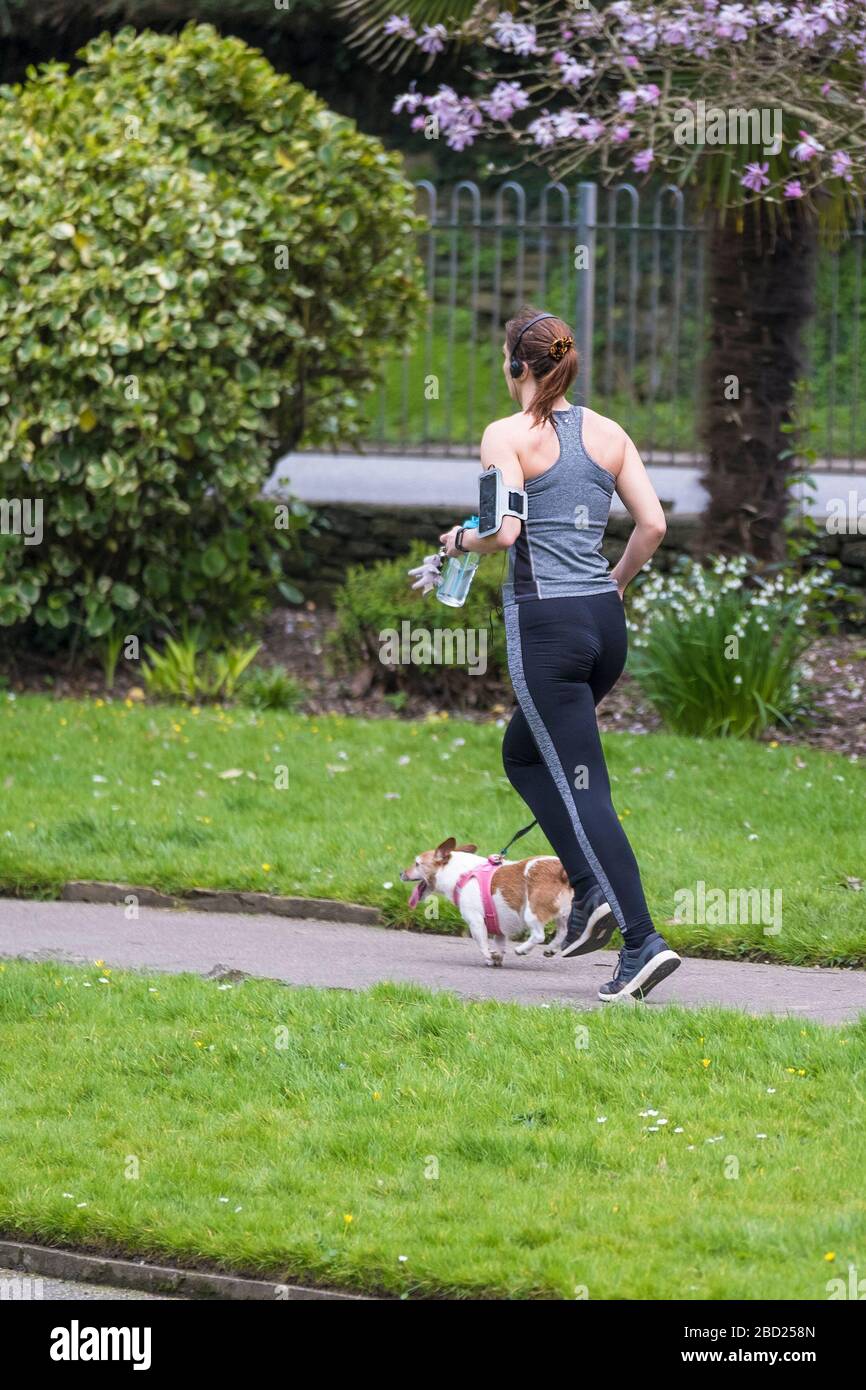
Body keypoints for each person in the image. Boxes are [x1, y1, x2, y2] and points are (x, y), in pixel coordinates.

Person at [439, 307, 681, 1003]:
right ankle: (593, 893)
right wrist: (616, 583)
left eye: (503, 357)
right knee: (523, 754)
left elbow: (503, 532)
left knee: (585, 790)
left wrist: (457, 540)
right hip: (605, 626)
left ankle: (642, 942)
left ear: (518, 365)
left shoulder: (506, 434)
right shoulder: (608, 432)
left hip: (548, 630)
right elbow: (653, 524)